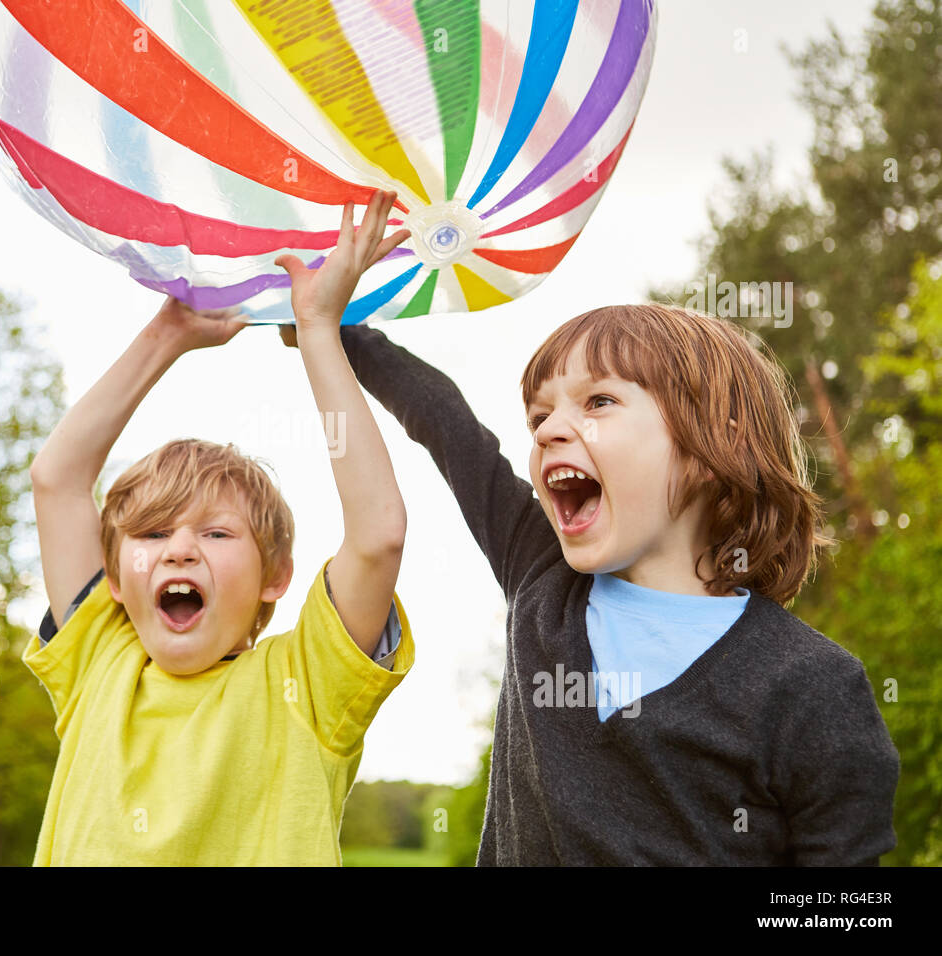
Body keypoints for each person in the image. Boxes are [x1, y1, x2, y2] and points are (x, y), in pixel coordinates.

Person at [322, 303, 898, 865]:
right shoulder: (538, 573)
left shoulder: (812, 685)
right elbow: (445, 422)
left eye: (599, 401)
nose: (549, 430)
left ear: (711, 448)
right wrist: (329, 325)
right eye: (539, 416)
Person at [24, 189, 415, 865]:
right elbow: (57, 481)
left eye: (216, 534)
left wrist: (318, 332)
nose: (179, 550)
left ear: (276, 578)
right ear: (114, 580)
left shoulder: (307, 686)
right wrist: (165, 336)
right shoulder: (100, 662)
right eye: (151, 536)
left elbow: (379, 531)